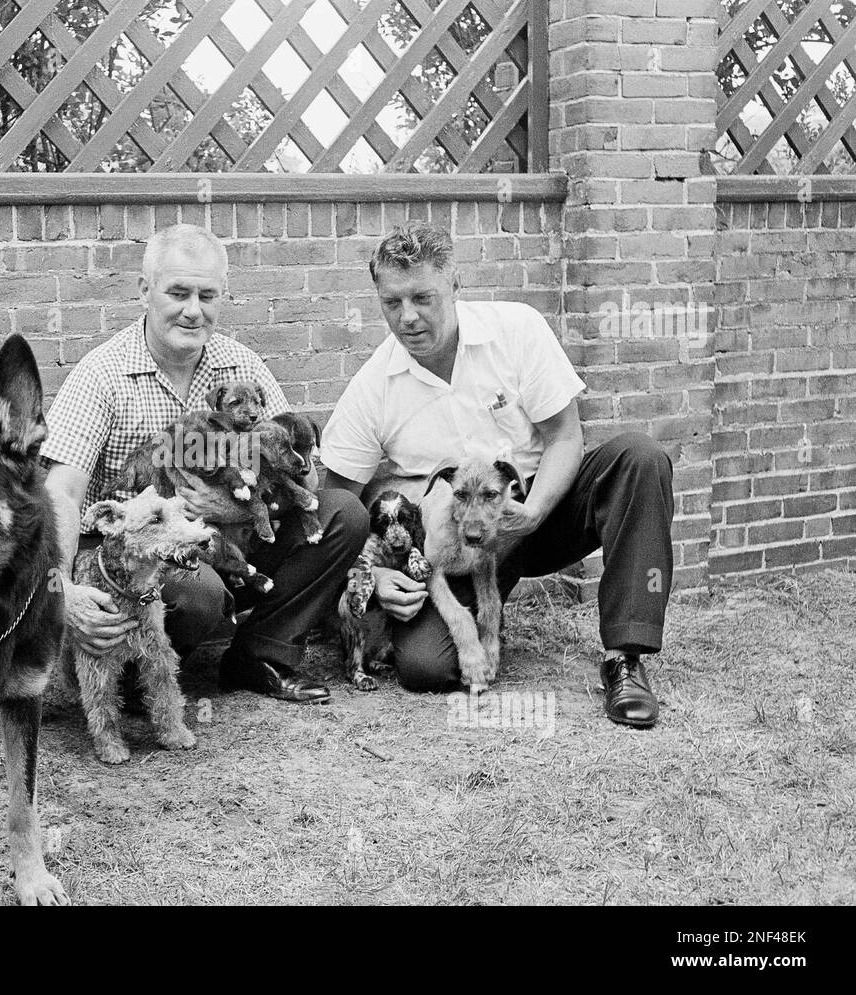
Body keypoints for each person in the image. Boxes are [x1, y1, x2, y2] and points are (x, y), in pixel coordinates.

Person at [320, 221, 673, 728]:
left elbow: (565, 437)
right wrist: (372, 574)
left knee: (639, 458)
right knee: (425, 667)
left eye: (423, 297)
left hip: (540, 507)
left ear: (455, 285)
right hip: (458, 542)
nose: (408, 317)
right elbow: (337, 507)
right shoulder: (373, 385)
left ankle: (625, 658)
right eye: (391, 303)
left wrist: (532, 512)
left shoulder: (517, 329)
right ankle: (486, 620)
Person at [41, 223, 369, 704]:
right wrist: (63, 593)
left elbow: (305, 471)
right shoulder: (102, 374)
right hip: (138, 553)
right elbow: (61, 494)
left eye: (207, 295)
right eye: (178, 292)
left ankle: (259, 655)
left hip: (232, 530)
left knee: (343, 512)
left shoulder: (243, 367)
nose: (193, 310)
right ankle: (131, 673)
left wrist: (234, 509)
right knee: (198, 590)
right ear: (144, 291)